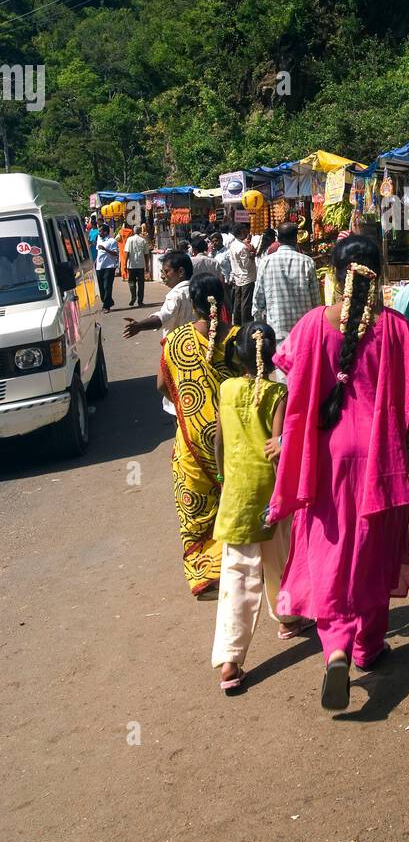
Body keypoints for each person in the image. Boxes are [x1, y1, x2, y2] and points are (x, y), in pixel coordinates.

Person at [265, 235, 409, 712]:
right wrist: (407, 450)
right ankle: (368, 646)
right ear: (378, 275)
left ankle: (336, 644)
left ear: (335, 276)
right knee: (373, 546)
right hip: (377, 456)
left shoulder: (315, 324)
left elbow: (290, 387)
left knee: (330, 548)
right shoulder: (395, 327)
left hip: (328, 456)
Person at [211, 322, 308, 690]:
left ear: (237, 356)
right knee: (278, 557)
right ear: (272, 357)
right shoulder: (277, 392)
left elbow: (219, 441)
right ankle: (287, 617)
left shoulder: (226, 388)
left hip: (237, 493)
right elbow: (277, 444)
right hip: (271, 490)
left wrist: (223, 478)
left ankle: (230, 663)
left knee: (237, 576)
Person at [157, 274, 239, 598]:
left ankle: (204, 576)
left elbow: (162, 386)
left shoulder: (175, 341)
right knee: (228, 506)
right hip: (231, 442)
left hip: (190, 446)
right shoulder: (235, 339)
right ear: (224, 301)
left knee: (194, 512)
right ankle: (231, 567)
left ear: (192, 304)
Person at [123, 250, 196, 413]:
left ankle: (181, 408)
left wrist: (139, 326)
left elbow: (162, 317)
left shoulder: (175, 295)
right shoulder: (196, 289)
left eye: (166, 271)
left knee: (167, 387)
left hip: (177, 352)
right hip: (196, 348)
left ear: (181, 272)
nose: (163, 276)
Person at [252, 222, 321, 348]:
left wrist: (259, 325)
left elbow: (258, 299)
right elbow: (316, 301)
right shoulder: (307, 262)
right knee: (301, 364)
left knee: (281, 364)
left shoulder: (266, 262)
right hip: (304, 328)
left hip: (277, 327)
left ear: (278, 239)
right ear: (296, 239)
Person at [228, 221, 257, 324]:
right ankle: (246, 324)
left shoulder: (233, 245)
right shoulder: (242, 247)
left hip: (238, 277)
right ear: (240, 232)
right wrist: (252, 256)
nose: (246, 233)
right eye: (244, 231)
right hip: (247, 277)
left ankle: (237, 322)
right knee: (246, 303)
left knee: (238, 302)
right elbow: (246, 264)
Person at [124, 224, 151, 307]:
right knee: (141, 284)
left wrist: (125, 264)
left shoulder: (129, 239)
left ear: (133, 231)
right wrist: (147, 266)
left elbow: (127, 253)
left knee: (131, 282)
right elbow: (146, 254)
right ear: (140, 231)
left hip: (131, 265)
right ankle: (140, 301)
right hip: (140, 265)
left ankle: (133, 296)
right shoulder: (143, 240)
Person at [94, 225, 119, 312]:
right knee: (101, 288)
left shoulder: (112, 241)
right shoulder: (99, 240)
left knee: (107, 286)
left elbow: (116, 253)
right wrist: (95, 262)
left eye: (100, 231)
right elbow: (99, 253)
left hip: (109, 267)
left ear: (105, 232)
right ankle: (108, 301)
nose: (99, 233)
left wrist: (105, 249)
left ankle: (106, 306)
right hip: (99, 267)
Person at [116, 218, 133, 286]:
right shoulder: (131, 231)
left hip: (122, 248)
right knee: (129, 262)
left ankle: (123, 276)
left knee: (123, 262)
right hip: (129, 248)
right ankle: (129, 275)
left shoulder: (121, 231)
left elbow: (117, 239)